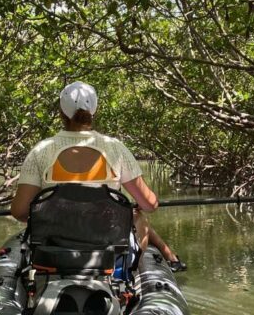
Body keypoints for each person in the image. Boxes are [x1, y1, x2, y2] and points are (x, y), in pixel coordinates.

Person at [10, 81, 187, 272]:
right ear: (94, 111)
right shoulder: (115, 148)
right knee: (139, 218)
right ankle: (131, 275)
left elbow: (19, 211)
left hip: (53, 251)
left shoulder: (41, 151)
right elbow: (150, 205)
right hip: (108, 252)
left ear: (61, 112)